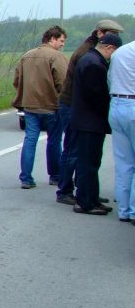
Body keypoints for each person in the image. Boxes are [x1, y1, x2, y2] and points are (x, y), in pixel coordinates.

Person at [57, 19, 125, 204]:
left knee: (83, 152)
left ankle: (85, 191)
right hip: (73, 103)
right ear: (100, 33)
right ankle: (65, 190)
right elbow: (91, 89)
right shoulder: (87, 53)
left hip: (76, 103)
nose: (115, 38)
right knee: (74, 149)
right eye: (112, 34)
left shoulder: (92, 50)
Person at [71, 32, 122, 215]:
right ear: (109, 48)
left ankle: (91, 197)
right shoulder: (94, 63)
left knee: (91, 162)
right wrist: (108, 111)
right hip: (90, 121)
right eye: (114, 52)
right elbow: (96, 96)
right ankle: (86, 202)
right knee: (88, 163)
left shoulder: (90, 59)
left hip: (86, 120)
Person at [12, 25, 68, 189]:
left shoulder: (26, 56)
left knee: (30, 140)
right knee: (54, 141)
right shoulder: (57, 57)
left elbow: (16, 80)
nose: (63, 44)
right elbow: (64, 82)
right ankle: (55, 175)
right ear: (52, 39)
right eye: (61, 41)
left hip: (29, 107)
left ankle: (26, 178)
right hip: (52, 106)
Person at [108, 38, 135, 224]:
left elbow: (110, 79)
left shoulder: (120, 52)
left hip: (116, 104)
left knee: (123, 162)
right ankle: (134, 211)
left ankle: (124, 210)